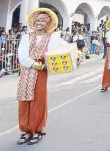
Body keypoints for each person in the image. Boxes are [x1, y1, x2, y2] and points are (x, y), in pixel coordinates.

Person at [17, 8, 67, 145]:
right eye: (38, 19)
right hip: (27, 71)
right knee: (24, 100)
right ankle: (26, 130)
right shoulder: (26, 37)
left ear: (49, 23)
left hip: (42, 72)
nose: (40, 22)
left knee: (38, 101)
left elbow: (62, 50)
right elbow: (22, 56)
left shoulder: (53, 38)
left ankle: (37, 129)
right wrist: (34, 65)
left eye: (43, 20)